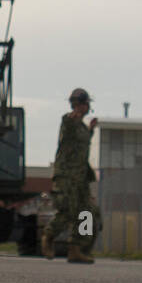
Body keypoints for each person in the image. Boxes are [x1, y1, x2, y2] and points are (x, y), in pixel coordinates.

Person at [42, 88, 100, 263]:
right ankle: (49, 236)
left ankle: (76, 248)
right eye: (85, 103)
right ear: (80, 105)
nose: (87, 107)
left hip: (80, 178)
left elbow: (79, 148)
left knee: (87, 212)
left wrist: (90, 130)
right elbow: (67, 131)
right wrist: (71, 119)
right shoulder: (68, 121)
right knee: (68, 211)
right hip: (66, 177)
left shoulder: (82, 127)